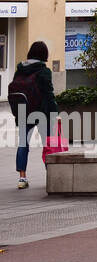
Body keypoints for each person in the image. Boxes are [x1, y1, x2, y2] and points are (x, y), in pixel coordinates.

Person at [10, 41, 56, 190]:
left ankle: (22, 178)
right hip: (41, 112)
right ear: (44, 55)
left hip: (24, 110)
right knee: (48, 144)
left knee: (23, 143)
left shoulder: (20, 69)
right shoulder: (44, 71)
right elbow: (49, 94)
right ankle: (51, 175)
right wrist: (54, 113)